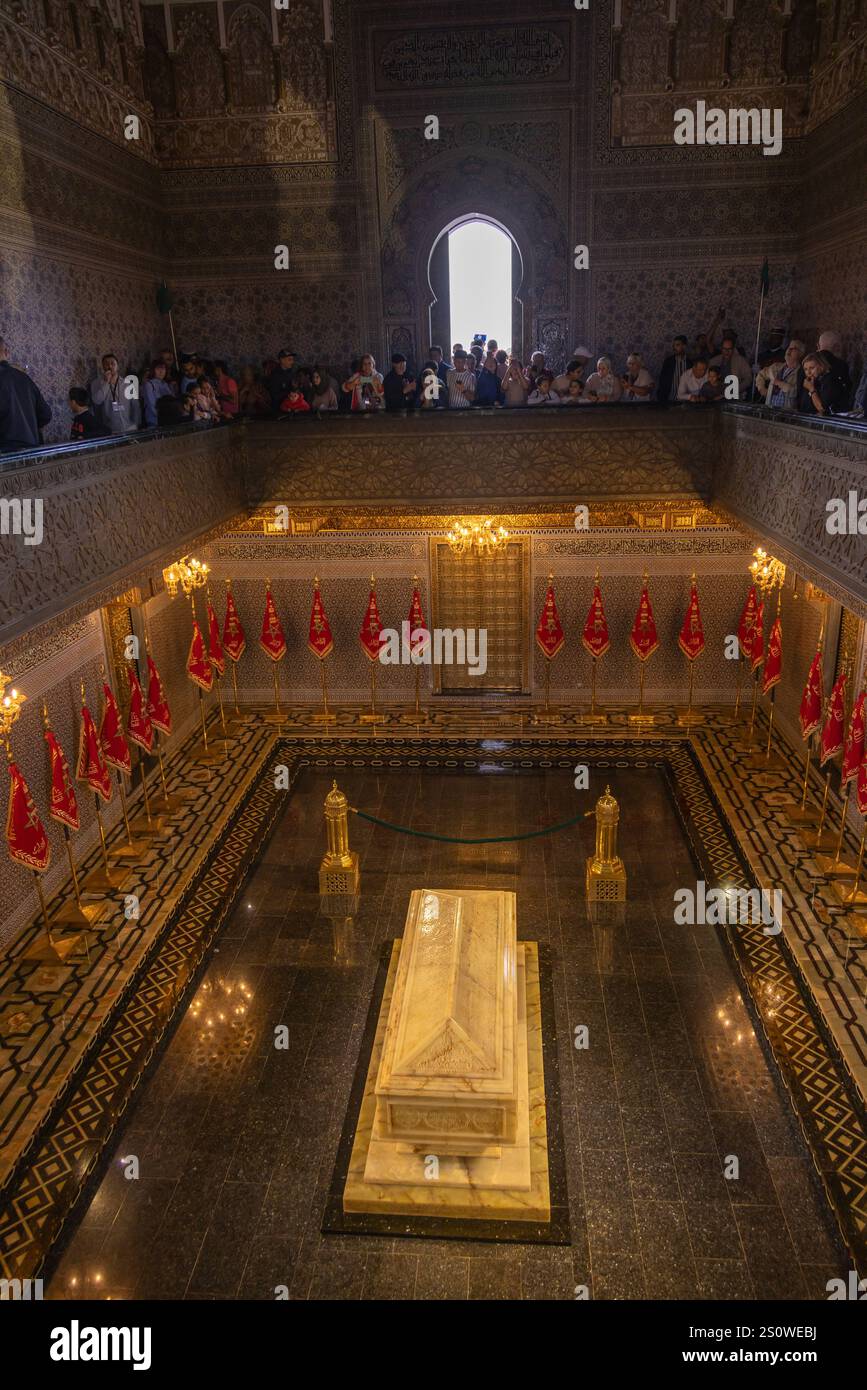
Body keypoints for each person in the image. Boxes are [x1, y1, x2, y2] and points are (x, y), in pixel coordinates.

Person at [0, 339, 52, 450]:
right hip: (31, 451)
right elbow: (46, 415)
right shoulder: (25, 378)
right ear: (6, 352)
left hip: (5, 454)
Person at [90, 353, 139, 434]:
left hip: (130, 427)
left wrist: (136, 424)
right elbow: (97, 401)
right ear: (103, 367)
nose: (109, 366)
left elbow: (135, 406)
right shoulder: (96, 383)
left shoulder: (128, 383)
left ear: (118, 366)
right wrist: (106, 383)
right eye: (106, 364)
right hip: (110, 430)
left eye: (112, 363)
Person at [759, 340, 804, 410]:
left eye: (794, 348)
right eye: (789, 347)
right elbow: (761, 375)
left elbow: (796, 392)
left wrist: (780, 383)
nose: (789, 349)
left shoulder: (801, 372)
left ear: (800, 354)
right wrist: (762, 389)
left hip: (786, 414)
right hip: (769, 410)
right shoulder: (776, 366)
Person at [817, 331, 852, 404]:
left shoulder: (805, 363)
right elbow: (847, 391)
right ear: (837, 347)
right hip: (831, 412)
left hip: (804, 412)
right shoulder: (841, 365)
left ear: (819, 346)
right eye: (840, 346)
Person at [656, 336, 690, 402]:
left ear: (684, 346)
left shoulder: (690, 362)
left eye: (677, 345)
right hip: (670, 399)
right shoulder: (668, 361)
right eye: (673, 345)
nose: (674, 348)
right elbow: (662, 381)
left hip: (686, 399)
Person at [142, 359, 173, 427]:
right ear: (153, 370)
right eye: (158, 369)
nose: (161, 372)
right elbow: (151, 405)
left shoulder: (165, 384)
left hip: (167, 420)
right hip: (154, 421)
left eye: (163, 369)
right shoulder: (149, 385)